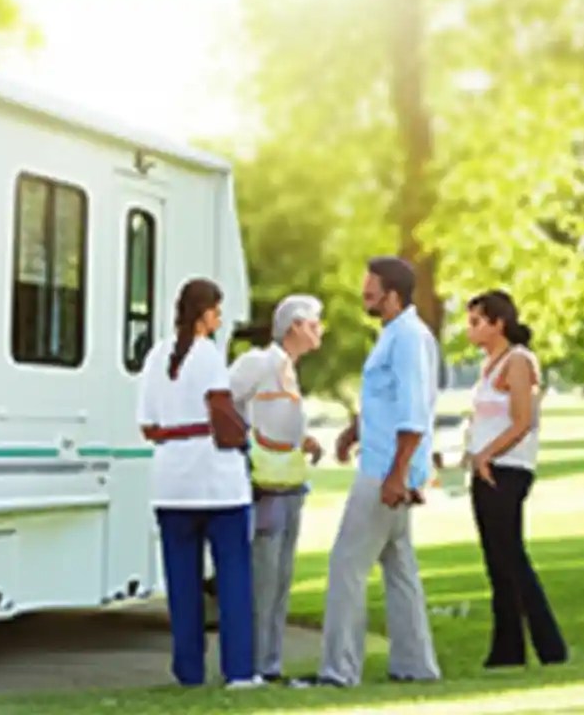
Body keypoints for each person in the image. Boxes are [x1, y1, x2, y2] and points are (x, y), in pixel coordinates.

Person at [292, 256, 442, 688]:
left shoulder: (408, 338)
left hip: (384, 472)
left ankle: (339, 671)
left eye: (370, 290)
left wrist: (397, 475)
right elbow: (386, 398)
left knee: (346, 566)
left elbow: (413, 412)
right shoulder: (395, 334)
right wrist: (354, 430)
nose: (364, 295)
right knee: (400, 569)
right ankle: (416, 666)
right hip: (386, 464)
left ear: (392, 294)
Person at [137, 277, 262, 689]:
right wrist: (243, 441)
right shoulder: (207, 353)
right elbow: (221, 412)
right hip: (217, 482)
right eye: (217, 312)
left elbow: (148, 426)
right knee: (233, 578)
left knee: (182, 584)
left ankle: (188, 671)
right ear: (205, 314)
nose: (220, 320)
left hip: (171, 483)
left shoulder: (156, 356)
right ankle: (239, 671)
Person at [464, 289, 567, 668]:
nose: (470, 330)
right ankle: (508, 649)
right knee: (497, 559)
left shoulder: (518, 361)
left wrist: (488, 454)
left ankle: (550, 646)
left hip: (508, 469)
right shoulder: (487, 366)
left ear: (498, 323)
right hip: (486, 469)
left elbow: (523, 420)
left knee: (510, 556)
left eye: (477, 322)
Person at [229, 294, 325, 682]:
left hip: (290, 484)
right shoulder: (259, 362)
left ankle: (270, 665)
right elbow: (222, 403)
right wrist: (245, 447)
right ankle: (252, 664)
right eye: (314, 323)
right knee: (264, 577)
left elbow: (276, 421)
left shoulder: (288, 370)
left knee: (281, 579)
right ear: (294, 326)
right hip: (266, 487)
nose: (319, 330)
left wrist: (303, 439)